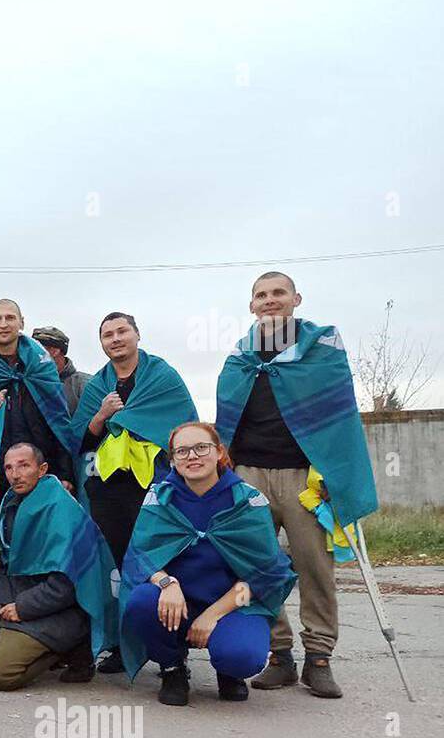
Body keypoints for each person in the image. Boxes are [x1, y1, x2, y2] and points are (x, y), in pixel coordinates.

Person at [214, 272, 378, 699]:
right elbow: (227, 419)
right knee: (257, 568)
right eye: (261, 295)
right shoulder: (240, 359)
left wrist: (334, 471)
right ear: (252, 305)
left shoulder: (321, 351)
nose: (269, 301)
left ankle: (319, 658)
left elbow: (339, 419)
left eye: (278, 293)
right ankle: (279, 654)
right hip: (249, 475)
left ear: (296, 299)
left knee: (314, 568)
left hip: (305, 477)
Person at [120, 422, 297, 706]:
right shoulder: (160, 497)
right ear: (173, 459)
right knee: (141, 601)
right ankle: (172, 668)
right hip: (178, 603)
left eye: (201, 448)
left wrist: (213, 615)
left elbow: (264, 576)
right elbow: (140, 556)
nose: (192, 456)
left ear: (219, 452)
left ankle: (229, 673)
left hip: (233, 606)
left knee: (243, 656)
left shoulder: (248, 501)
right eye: (182, 451)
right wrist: (167, 582)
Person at [0, 299, 76, 668]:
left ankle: (41, 633)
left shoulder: (39, 365)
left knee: (36, 554)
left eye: (10, 318)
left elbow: (59, 421)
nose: (4, 324)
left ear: (22, 322)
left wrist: (65, 474)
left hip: (36, 476)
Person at [69, 312, 198, 672]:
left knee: (156, 560)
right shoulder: (98, 385)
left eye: (122, 331)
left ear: (137, 334)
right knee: (114, 565)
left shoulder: (163, 377)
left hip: (154, 486)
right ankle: (120, 645)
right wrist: (102, 415)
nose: (115, 338)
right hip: (107, 489)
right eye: (107, 334)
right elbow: (81, 437)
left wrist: (127, 421)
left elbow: (184, 427)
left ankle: (171, 650)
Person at [0, 443, 117, 691]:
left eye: (23, 465)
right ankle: (8, 640)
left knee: (0, 675)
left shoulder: (61, 510)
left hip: (65, 605)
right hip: (28, 584)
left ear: (42, 470)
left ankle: (68, 648)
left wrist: (22, 607)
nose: (15, 474)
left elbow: (67, 585)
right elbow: (27, 553)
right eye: (9, 467)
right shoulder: (16, 500)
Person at [31, 326, 90, 412]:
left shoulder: (84, 384)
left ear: (55, 351)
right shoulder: (26, 382)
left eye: (37, 348)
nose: (31, 353)